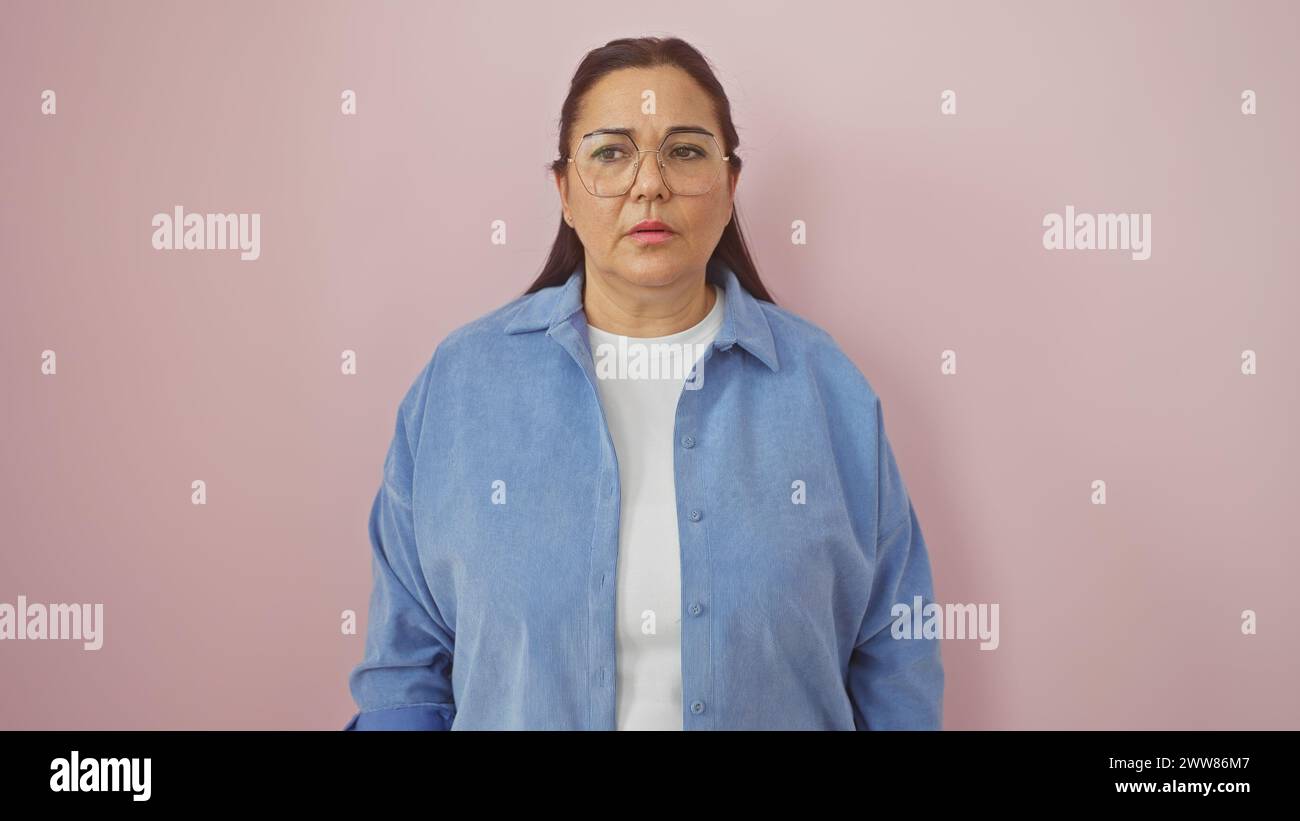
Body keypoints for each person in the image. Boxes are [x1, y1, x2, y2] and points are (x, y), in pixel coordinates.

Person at [344, 36, 942, 731]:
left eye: (685, 151)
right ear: (565, 191)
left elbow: (897, 657)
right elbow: (405, 675)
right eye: (611, 152)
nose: (649, 183)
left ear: (729, 188)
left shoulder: (828, 390)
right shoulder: (458, 389)